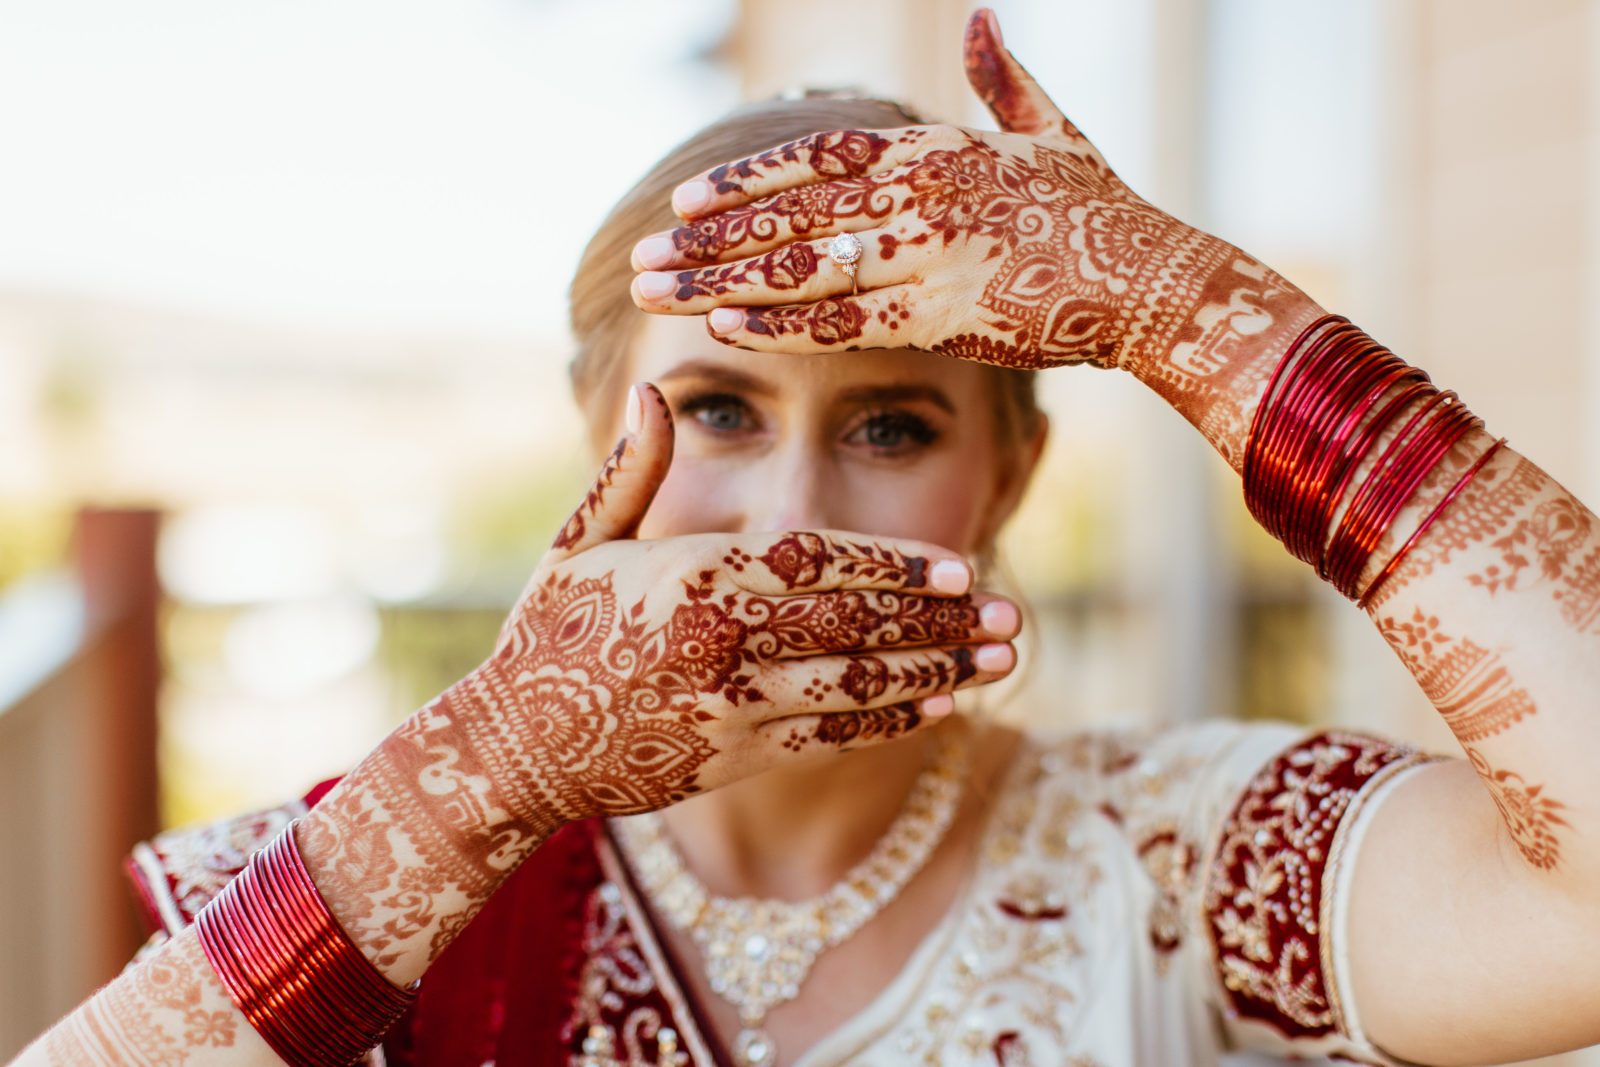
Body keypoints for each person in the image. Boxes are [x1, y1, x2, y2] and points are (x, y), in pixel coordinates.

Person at [14, 8, 1600, 1066]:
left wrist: (1185, 311)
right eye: (716, 409)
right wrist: (490, 769)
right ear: (598, 447)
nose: (787, 523)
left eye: (892, 426)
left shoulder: (1175, 864)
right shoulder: (380, 885)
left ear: (1007, 478)